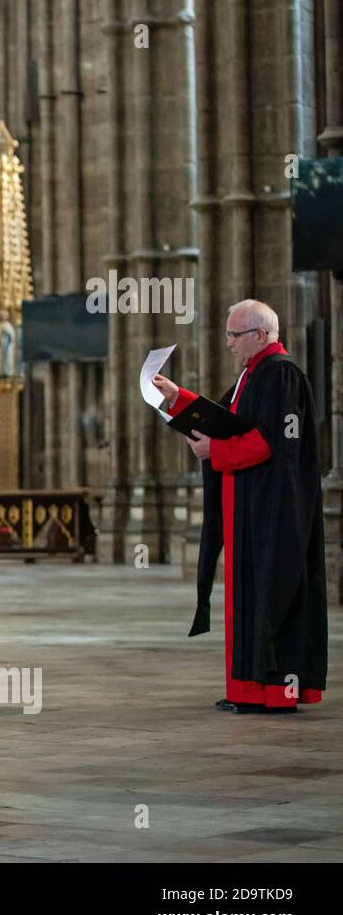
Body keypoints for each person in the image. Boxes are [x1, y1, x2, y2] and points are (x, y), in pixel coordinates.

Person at [153, 299, 328, 713]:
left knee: (274, 596)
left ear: (261, 335)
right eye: (228, 334)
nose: (229, 343)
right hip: (250, 505)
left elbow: (272, 441)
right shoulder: (253, 375)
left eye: (235, 335)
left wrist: (216, 450)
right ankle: (248, 690)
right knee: (251, 596)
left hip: (275, 510)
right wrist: (177, 398)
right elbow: (223, 419)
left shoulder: (281, 375)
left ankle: (275, 694)